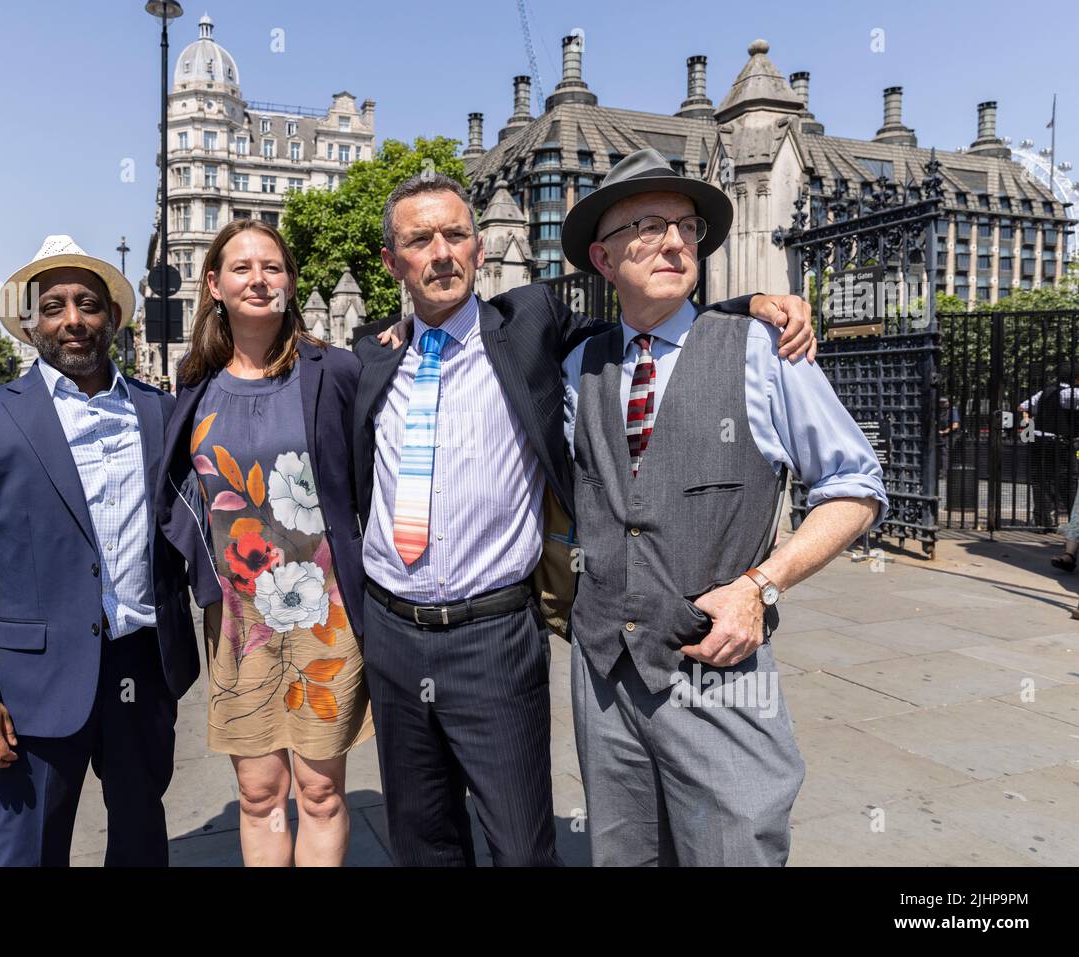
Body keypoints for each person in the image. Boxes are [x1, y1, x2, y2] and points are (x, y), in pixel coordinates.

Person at [350, 169, 817, 866]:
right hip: (392, 632)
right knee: (422, 840)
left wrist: (753, 303)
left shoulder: (533, 326)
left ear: (481, 249)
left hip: (493, 638)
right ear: (393, 263)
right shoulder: (366, 355)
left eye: (456, 234)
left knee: (519, 842)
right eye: (420, 239)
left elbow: (649, 320)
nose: (442, 251)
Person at [559, 148, 888, 866]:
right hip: (605, 675)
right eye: (647, 226)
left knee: (735, 848)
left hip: (720, 674)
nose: (675, 240)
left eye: (685, 227)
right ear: (602, 257)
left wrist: (758, 587)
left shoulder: (761, 350)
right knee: (624, 856)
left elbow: (857, 485)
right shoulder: (578, 364)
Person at [0, 235, 198, 866]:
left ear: (114, 319)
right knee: (33, 848)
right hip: (32, 685)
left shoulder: (160, 414)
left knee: (140, 837)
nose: (72, 320)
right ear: (31, 323)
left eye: (88, 304)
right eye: (53, 306)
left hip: (143, 667)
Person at [156, 219, 373, 866]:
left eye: (272, 267)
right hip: (238, 620)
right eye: (242, 267)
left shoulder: (333, 371)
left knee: (319, 790)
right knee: (257, 791)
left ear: (290, 283)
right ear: (214, 284)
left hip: (326, 616)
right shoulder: (193, 387)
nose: (258, 278)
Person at [1019, 364, 1079, 528]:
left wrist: (1028, 424)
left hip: (1039, 441)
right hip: (1060, 443)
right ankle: (1075, 521)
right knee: (1069, 481)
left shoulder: (1045, 392)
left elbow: (1023, 406)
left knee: (1040, 481)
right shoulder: (1073, 393)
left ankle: (1042, 521)